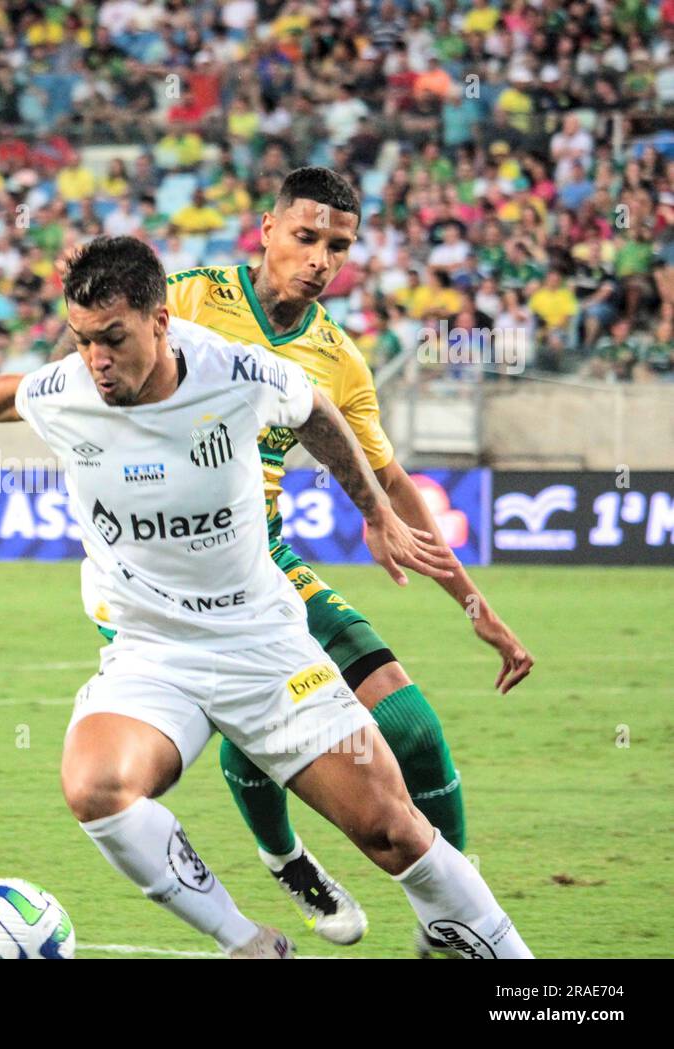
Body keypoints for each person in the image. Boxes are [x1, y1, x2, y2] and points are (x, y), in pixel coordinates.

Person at [0, 236, 533, 959]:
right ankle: (248, 943)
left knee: (391, 831)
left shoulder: (235, 372)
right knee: (95, 786)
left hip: (262, 646)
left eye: (113, 338)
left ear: (160, 320)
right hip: (151, 656)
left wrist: (374, 511)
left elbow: (317, 416)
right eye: (83, 341)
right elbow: (5, 391)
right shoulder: (68, 390)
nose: (96, 361)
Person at [163, 167, 535, 955]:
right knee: (259, 724)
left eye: (339, 245)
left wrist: (478, 607)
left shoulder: (335, 355)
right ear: (264, 228)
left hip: (264, 562)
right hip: (165, 574)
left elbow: (390, 481)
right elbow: (92, 338)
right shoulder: (187, 298)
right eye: (306, 237)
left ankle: (453, 910)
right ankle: (286, 859)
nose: (321, 258)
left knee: (412, 726)